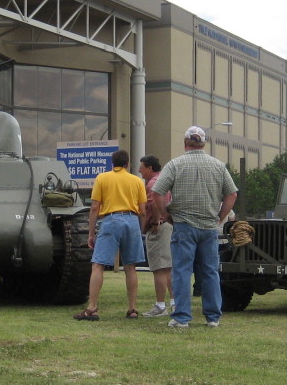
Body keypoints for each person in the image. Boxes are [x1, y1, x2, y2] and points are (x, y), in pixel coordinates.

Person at [152, 126, 237, 328]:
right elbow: (232, 194)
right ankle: (213, 317)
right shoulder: (218, 166)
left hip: (183, 226)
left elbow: (157, 192)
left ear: (185, 143)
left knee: (181, 271)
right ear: (204, 143)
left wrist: (165, 215)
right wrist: (221, 217)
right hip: (209, 227)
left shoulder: (175, 165)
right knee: (210, 272)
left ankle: (182, 317)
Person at [73, 149, 147, 321]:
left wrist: (91, 233)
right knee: (130, 266)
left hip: (111, 220)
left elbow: (94, 208)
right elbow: (143, 211)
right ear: (128, 164)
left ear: (112, 163)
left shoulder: (102, 178)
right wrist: (140, 230)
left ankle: (92, 308)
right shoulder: (137, 181)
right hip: (131, 220)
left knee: (98, 264)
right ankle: (132, 309)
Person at [138, 154, 174, 317]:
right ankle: (174, 302)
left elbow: (154, 204)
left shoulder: (153, 183)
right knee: (168, 268)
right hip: (168, 226)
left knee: (158, 268)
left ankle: (160, 306)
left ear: (150, 168)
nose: (140, 170)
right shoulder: (164, 179)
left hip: (158, 227)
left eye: (142, 167)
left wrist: (154, 222)